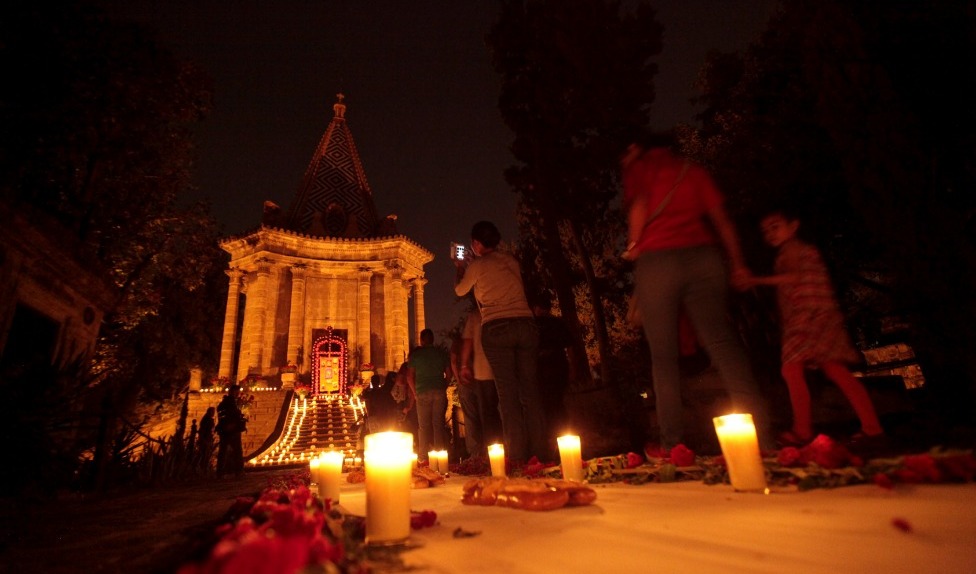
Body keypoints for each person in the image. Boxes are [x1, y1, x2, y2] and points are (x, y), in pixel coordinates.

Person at [621, 134, 770, 451]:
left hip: (658, 261)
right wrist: (739, 265)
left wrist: (634, 243)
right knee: (722, 342)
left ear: (642, 149)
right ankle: (762, 434)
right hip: (703, 257)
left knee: (663, 356)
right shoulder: (693, 170)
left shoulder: (641, 169)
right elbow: (722, 221)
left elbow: (640, 205)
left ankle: (674, 443)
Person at [745, 209, 885, 445]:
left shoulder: (800, 250)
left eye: (775, 226)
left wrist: (755, 280)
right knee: (827, 369)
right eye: (765, 231)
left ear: (793, 225)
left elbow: (795, 278)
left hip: (814, 316)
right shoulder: (785, 256)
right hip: (809, 318)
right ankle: (871, 427)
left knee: (799, 369)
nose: (770, 233)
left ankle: (804, 431)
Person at [454, 221, 548, 462]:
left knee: (507, 395)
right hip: (526, 324)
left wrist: (459, 267)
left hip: (497, 326)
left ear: (476, 243)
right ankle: (540, 453)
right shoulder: (511, 261)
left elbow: (460, 290)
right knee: (530, 392)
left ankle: (517, 457)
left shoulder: (477, 264)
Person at [458, 306, 502, 459]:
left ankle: (493, 455)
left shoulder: (476, 315)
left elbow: (467, 341)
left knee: (488, 415)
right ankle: (514, 451)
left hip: (484, 372)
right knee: (508, 411)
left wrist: (463, 366)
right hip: (505, 369)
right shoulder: (503, 308)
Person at [530, 293, 574, 437]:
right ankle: (565, 433)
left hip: (542, 370)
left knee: (547, 406)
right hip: (560, 366)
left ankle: (552, 436)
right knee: (559, 403)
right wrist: (572, 367)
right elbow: (569, 346)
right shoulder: (558, 323)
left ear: (536, 308)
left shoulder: (533, 325)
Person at [406, 329, 451, 462]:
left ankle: (423, 458)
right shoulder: (441, 354)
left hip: (422, 392)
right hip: (438, 391)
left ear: (421, 340)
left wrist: (415, 393)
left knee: (423, 427)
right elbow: (449, 373)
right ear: (433, 339)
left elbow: (409, 376)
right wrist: (443, 386)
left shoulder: (416, 355)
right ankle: (440, 457)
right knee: (438, 425)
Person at [215, 385, 246, 477]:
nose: (238, 394)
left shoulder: (225, 402)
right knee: (237, 451)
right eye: (236, 392)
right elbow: (230, 414)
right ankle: (239, 471)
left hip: (225, 429)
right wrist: (237, 419)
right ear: (232, 392)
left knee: (223, 450)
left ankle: (220, 472)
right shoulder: (230, 402)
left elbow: (222, 413)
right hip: (231, 429)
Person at [197, 406, 216, 471]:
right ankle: (203, 468)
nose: (214, 413)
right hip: (206, 438)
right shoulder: (207, 420)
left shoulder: (207, 419)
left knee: (206, 454)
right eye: (213, 412)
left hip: (207, 438)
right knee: (204, 454)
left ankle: (204, 468)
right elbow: (204, 430)